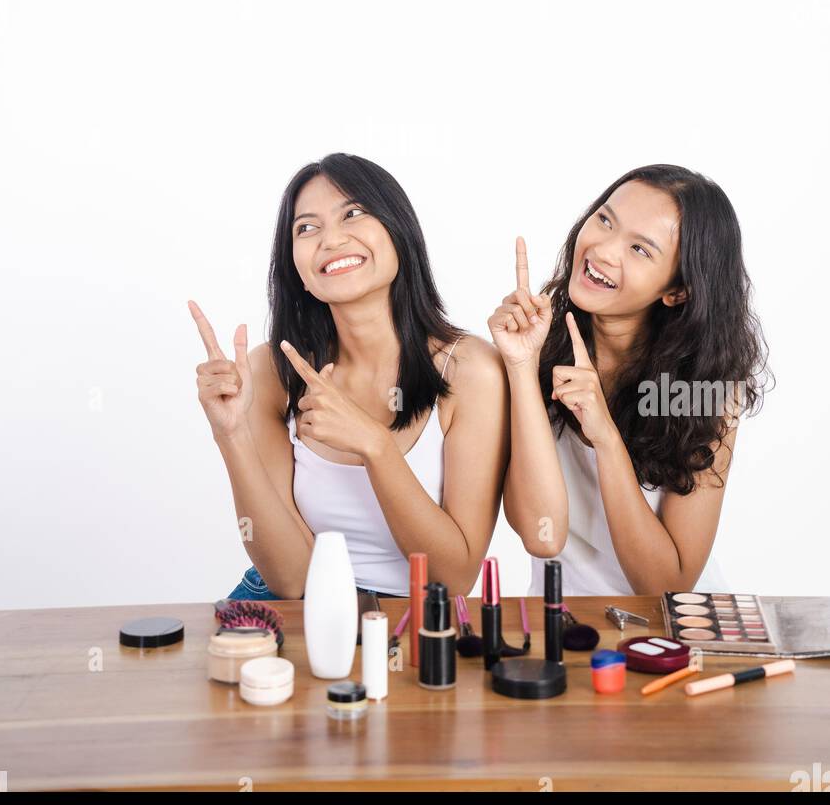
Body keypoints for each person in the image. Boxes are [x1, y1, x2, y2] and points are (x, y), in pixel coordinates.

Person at [191, 152, 509, 601]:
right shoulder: (273, 369)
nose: (331, 239)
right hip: (292, 607)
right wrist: (232, 435)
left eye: (354, 213)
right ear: (297, 268)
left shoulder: (471, 369)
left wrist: (374, 446)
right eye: (306, 227)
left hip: (416, 616)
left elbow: (452, 579)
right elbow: (291, 581)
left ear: (399, 231)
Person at [488, 164, 772, 597]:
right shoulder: (535, 345)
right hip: (566, 628)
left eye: (640, 249)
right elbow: (541, 537)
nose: (602, 250)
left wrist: (604, 435)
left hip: (675, 634)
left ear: (678, 291)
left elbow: (667, 584)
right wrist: (523, 370)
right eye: (605, 219)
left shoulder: (700, 392)